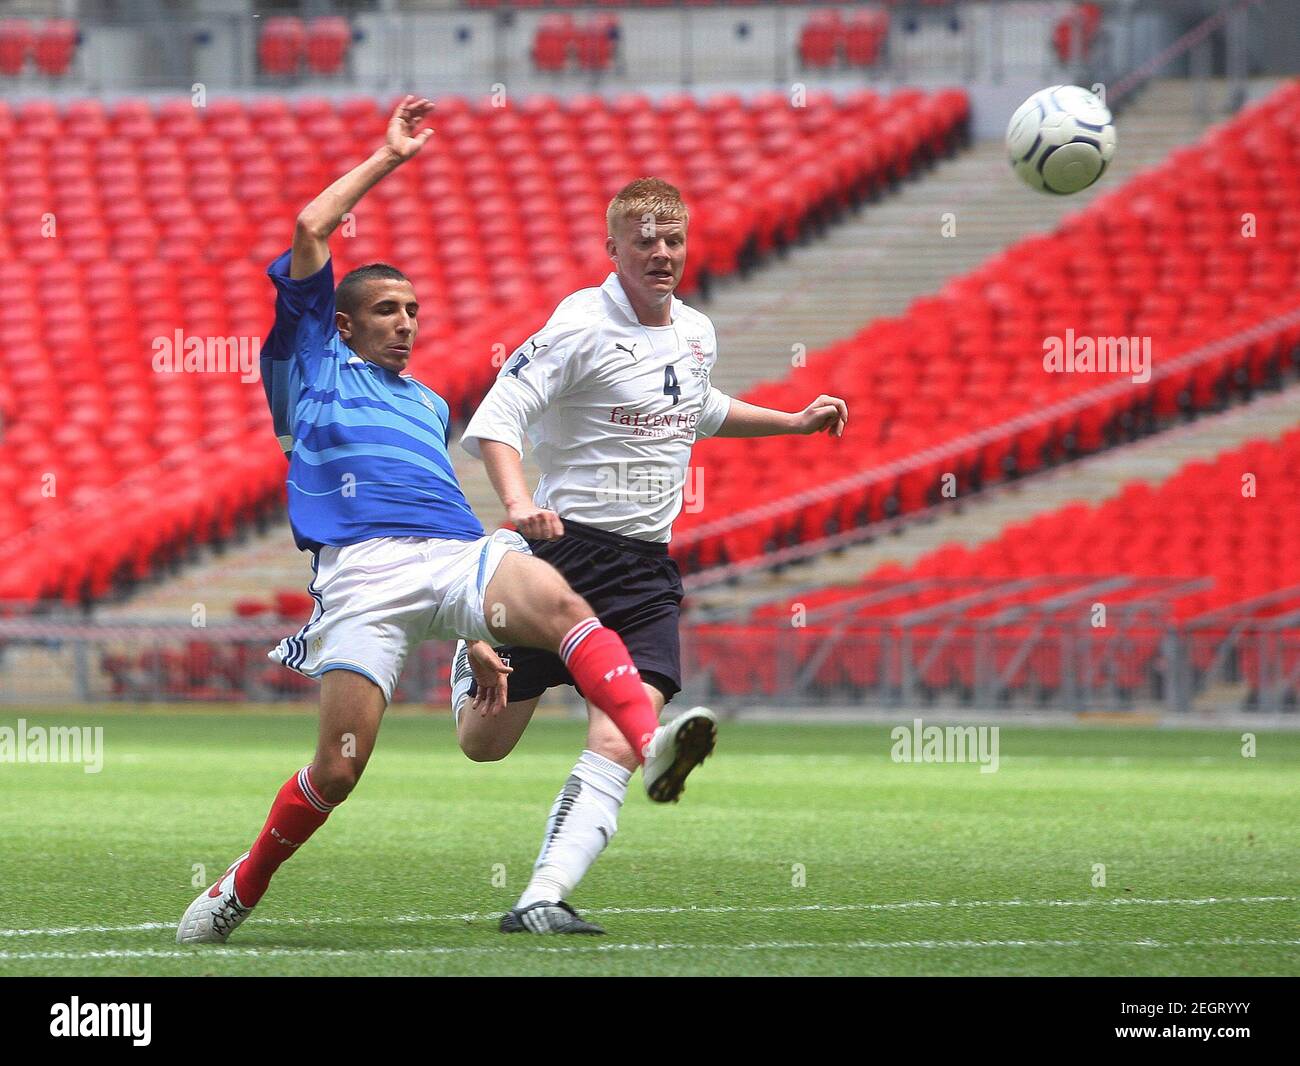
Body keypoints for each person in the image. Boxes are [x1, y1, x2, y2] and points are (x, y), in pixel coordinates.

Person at [177, 101, 714, 945]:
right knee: (340, 767)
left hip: (452, 555)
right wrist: (389, 157)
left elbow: (444, 505)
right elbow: (312, 223)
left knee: (563, 603)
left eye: (415, 310)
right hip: (360, 573)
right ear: (343, 322)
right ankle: (241, 886)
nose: (407, 324)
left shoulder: (428, 403)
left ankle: (653, 740)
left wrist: (474, 630)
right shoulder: (305, 368)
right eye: (388, 310)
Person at [454, 176, 849, 935]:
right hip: (558, 556)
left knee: (617, 739)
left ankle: (542, 895)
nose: (661, 253)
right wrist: (516, 508)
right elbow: (497, 418)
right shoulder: (576, 324)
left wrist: (794, 422)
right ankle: (471, 643)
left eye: (673, 240)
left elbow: (698, 408)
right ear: (614, 249)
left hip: (644, 572)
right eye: (645, 240)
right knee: (485, 741)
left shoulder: (696, 331)